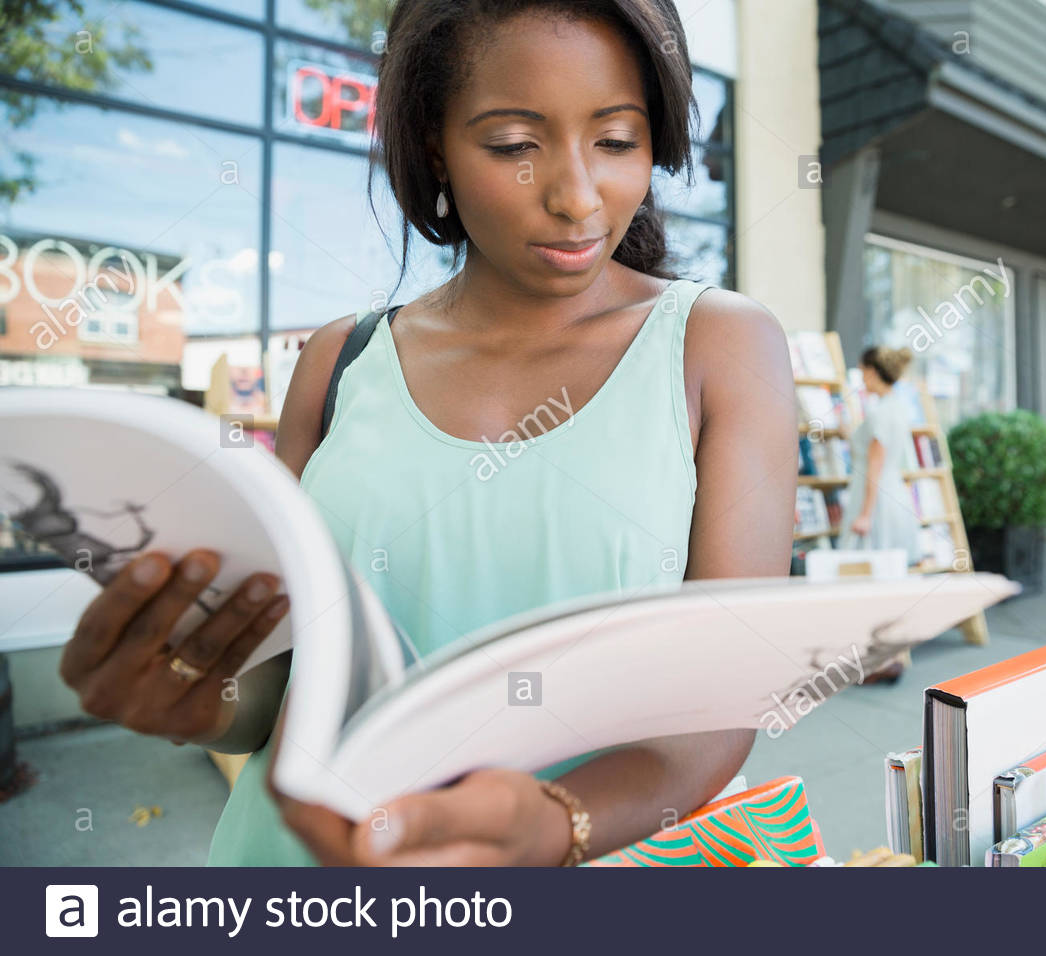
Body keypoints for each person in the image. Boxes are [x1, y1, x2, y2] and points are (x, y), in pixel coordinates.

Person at [55, 0, 796, 866]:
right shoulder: (339, 360)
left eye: (616, 140)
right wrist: (193, 698)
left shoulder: (718, 345)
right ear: (433, 145)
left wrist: (551, 823)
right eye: (513, 145)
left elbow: (717, 711)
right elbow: (278, 692)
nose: (576, 196)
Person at [842, 346, 922, 684]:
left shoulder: (880, 414)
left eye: (862, 370)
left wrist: (864, 514)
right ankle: (885, 658)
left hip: (876, 501)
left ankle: (877, 662)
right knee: (886, 577)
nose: (861, 377)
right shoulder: (898, 407)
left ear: (873, 371)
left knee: (864, 578)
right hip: (894, 496)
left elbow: (874, 467)